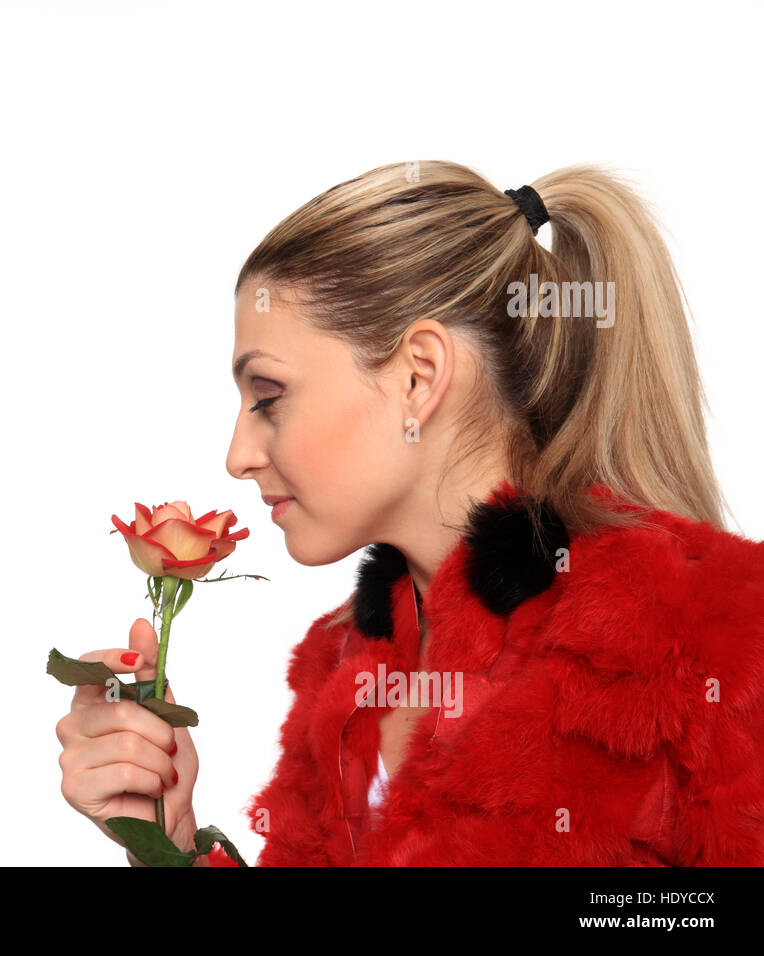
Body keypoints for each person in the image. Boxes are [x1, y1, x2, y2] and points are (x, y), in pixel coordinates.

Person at [56, 161, 764, 866]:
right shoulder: (345, 669)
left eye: (268, 395)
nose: (237, 455)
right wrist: (168, 838)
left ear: (419, 377)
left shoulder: (724, 633)